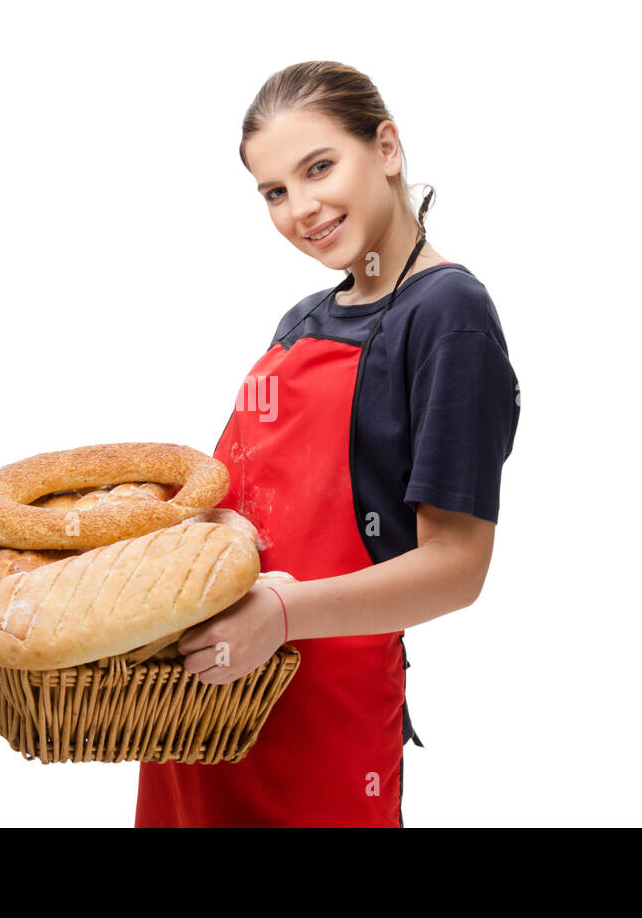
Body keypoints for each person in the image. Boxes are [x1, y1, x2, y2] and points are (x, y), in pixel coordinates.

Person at [135, 60, 520, 828]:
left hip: (322, 724)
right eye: (274, 192)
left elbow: (456, 567)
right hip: (198, 711)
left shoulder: (448, 314)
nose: (301, 209)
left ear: (385, 148)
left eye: (319, 168)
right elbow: (223, 507)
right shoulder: (299, 322)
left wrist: (280, 616)